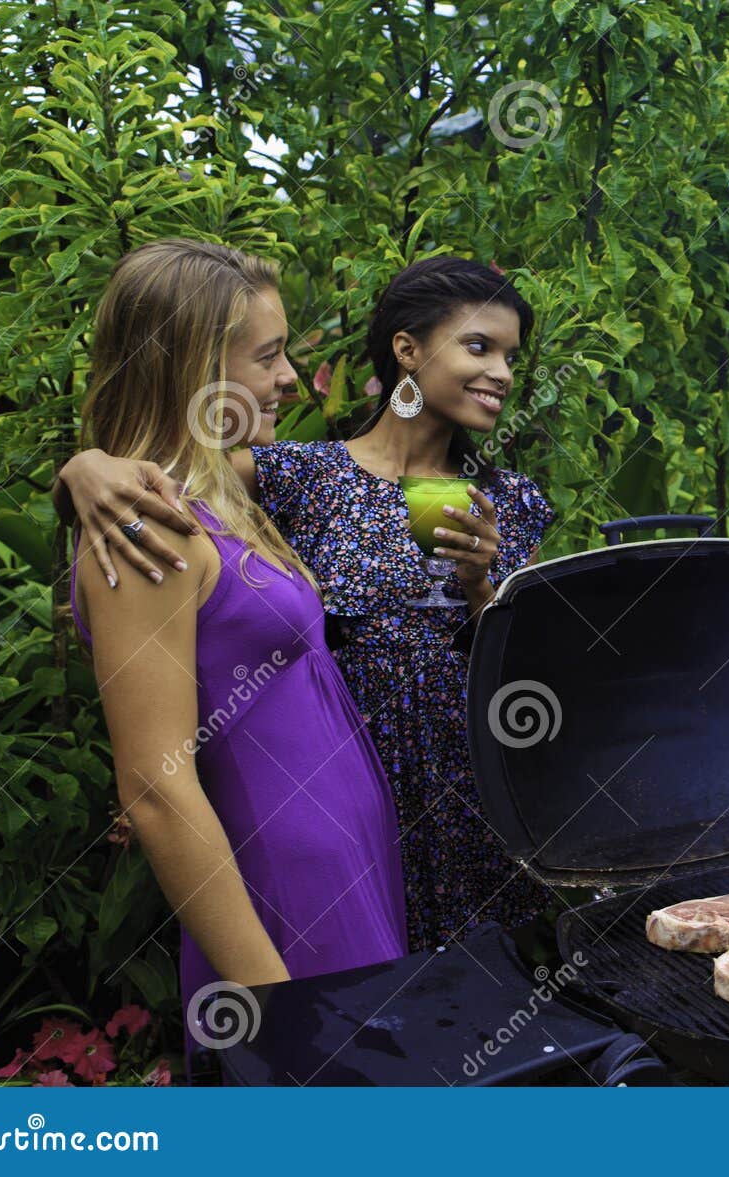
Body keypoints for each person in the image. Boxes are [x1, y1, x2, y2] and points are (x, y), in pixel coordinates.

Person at [57, 256, 556, 952]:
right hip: (331, 798)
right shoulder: (306, 475)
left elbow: (533, 677)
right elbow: (171, 475)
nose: (502, 371)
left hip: (469, 800)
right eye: (480, 346)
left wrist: (481, 586)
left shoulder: (509, 500)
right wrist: (85, 468)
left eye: (510, 355)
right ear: (408, 350)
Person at [68, 239, 406, 1032]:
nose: (290, 377)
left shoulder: (217, 495)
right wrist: (271, 999)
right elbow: (154, 791)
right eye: (269, 355)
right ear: (192, 370)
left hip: (342, 862)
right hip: (278, 890)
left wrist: (76, 465)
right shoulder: (147, 531)